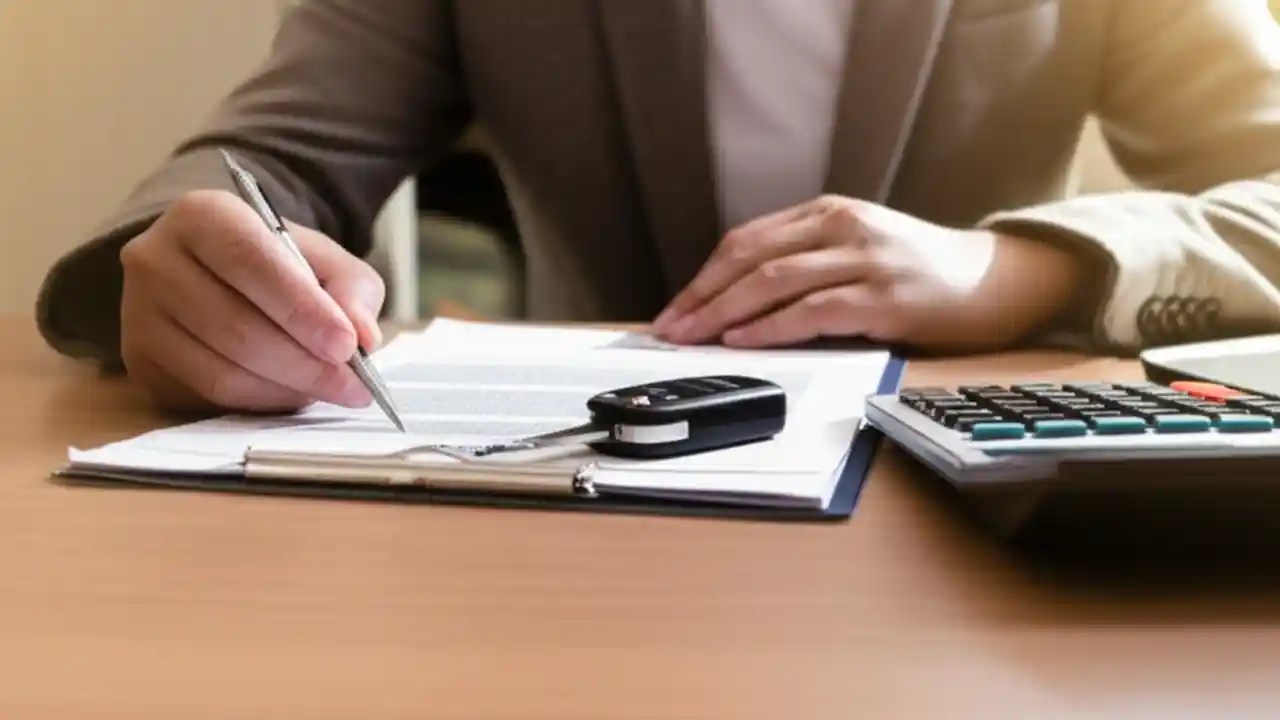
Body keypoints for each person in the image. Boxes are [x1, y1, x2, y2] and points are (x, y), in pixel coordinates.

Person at [36, 0, 1280, 413]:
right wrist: (192, 266)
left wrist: (1013, 273)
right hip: (591, 523)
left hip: (977, 531)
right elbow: (260, 161)